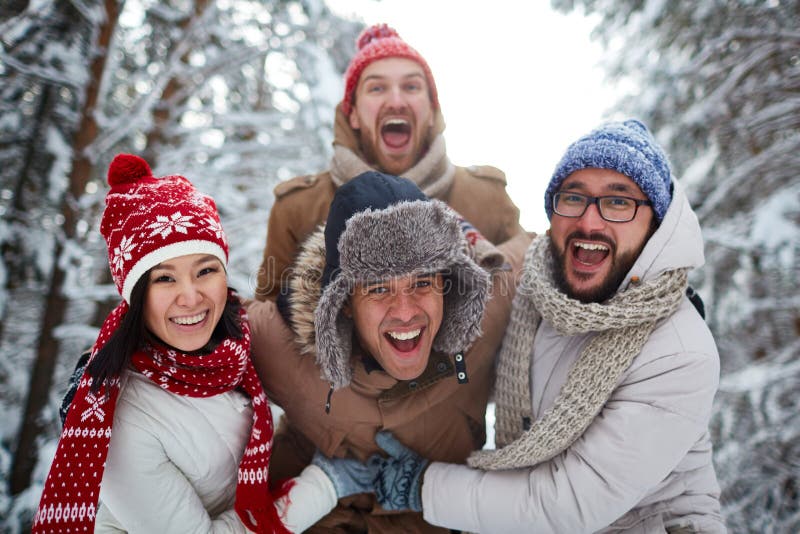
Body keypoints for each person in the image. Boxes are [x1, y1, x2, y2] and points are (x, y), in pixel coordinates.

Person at [343, 120, 727, 533]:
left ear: (656, 223)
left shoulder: (678, 352)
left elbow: (566, 504)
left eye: (618, 203)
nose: (589, 222)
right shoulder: (540, 292)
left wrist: (422, 486)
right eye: (573, 197)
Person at [34, 155, 349, 533]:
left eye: (205, 270)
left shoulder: (233, 343)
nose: (191, 296)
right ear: (135, 295)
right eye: (165, 279)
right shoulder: (118, 420)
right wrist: (327, 484)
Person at [247, 171, 530, 532]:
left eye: (422, 282)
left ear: (445, 282)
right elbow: (198, 311)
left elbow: (545, 247)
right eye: (379, 289)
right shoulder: (282, 345)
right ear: (344, 302)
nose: (405, 310)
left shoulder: (484, 313)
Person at [255, 23, 524, 301]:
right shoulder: (298, 208)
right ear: (354, 116)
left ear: (432, 112)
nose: (396, 101)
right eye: (377, 88)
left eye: (411, 86)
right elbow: (268, 323)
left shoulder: (487, 197)